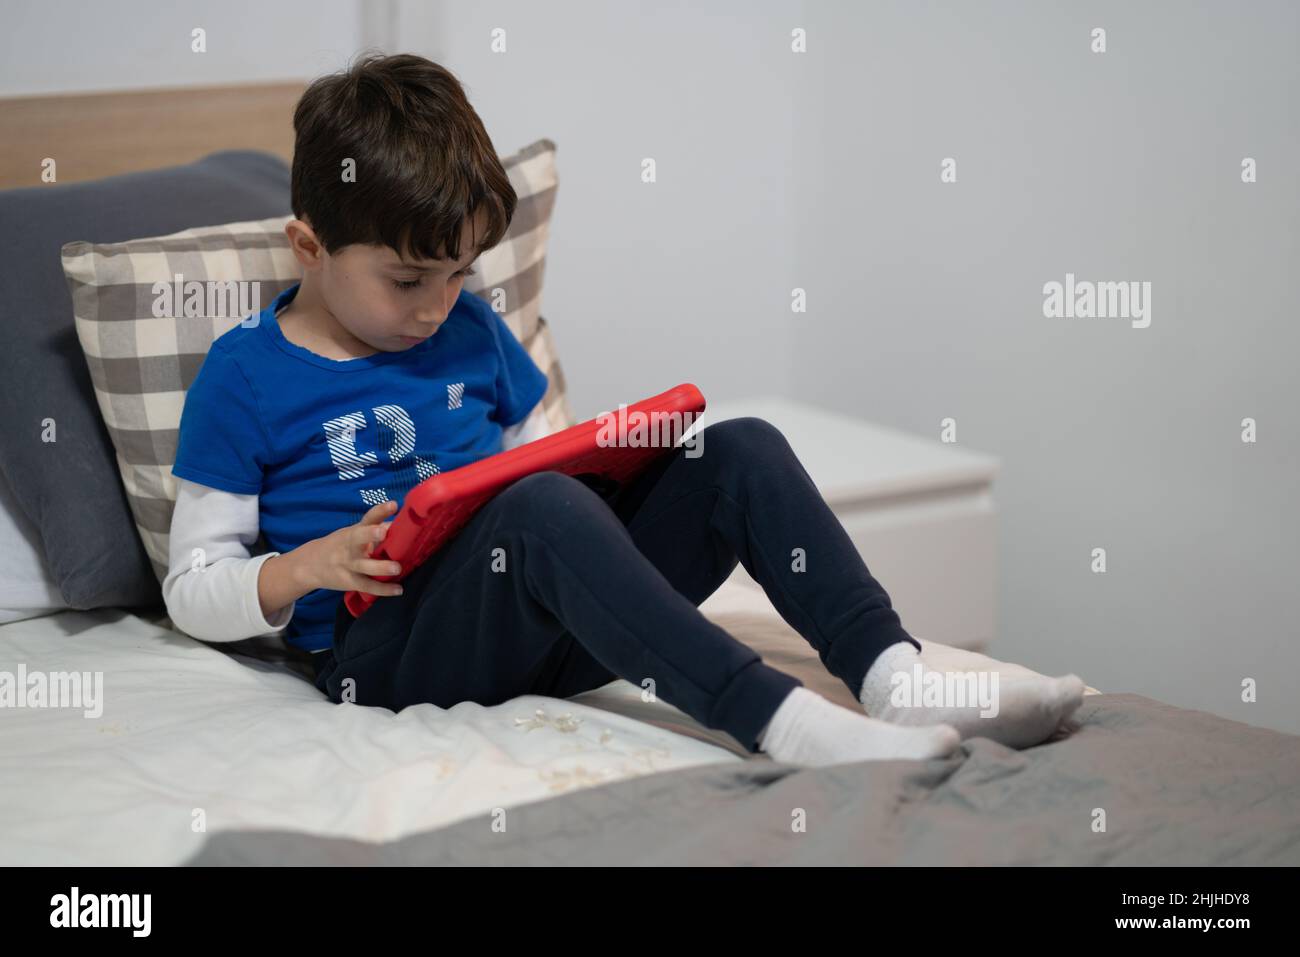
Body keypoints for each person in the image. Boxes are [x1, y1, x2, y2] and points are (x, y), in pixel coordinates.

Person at [164, 52, 1083, 768]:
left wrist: (624, 462)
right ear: (308, 246)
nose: (437, 305)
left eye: (459, 274)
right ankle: (775, 718)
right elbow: (191, 589)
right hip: (387, 660)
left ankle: (895, 678)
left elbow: (536, 465)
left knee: (740, 450)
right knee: (537, 511)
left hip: (545, 632)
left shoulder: (472, 331)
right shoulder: (245, 376)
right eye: (407, 278)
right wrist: (306, 568)